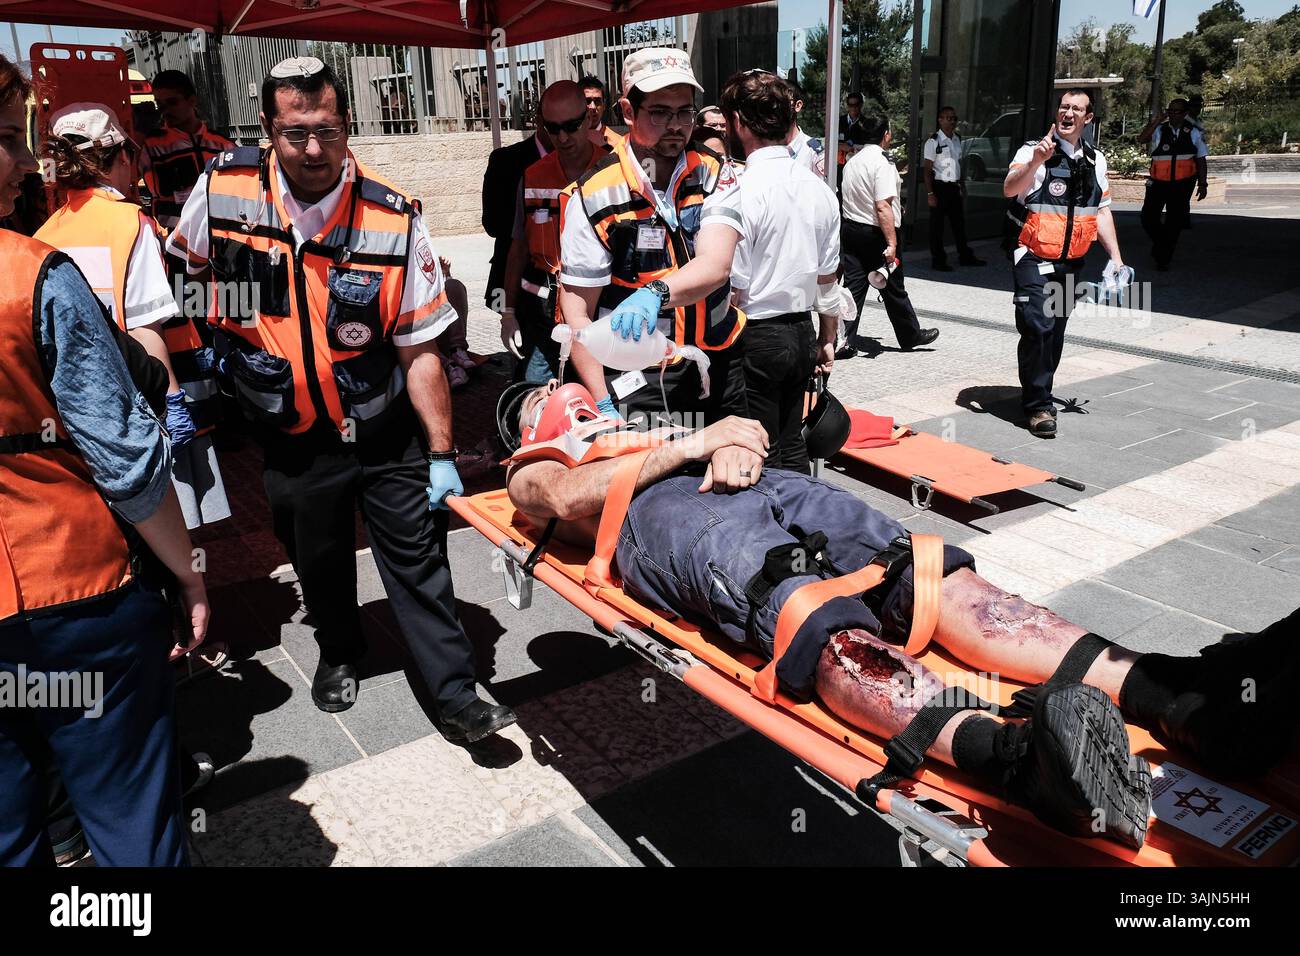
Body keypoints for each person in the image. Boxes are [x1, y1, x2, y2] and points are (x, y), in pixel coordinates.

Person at [501, 381, 1300, 847]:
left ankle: (1181, 700)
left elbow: (729, 433)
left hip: (750, 482)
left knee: (920, 571)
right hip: (669, 522)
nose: (568, 392)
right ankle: (1012, 761)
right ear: (533, 428)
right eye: (548, 396)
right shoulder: (542, 465)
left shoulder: (649, 424)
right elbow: (564, 499)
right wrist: (687, 447)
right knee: (811, 614)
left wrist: (732, 436)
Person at [165, 56, 514, 743]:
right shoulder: (225, 187)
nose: (315, 150)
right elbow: (189, 274)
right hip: (290, 433)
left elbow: (419, 351)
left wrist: (441, 451)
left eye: (328, 129)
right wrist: (213, 370)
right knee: (316, 557)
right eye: (296, 135)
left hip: (383, 429)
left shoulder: (392, 217)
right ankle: (339, 650)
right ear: (268, 129)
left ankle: (456, 694)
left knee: (418, 559)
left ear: (348, 123)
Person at [0, 52, 209, 866]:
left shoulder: (46, 237)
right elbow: (126, 458)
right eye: (4, 140)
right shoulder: (31, 274)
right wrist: (187, 571)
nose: (23, 164)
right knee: (129, 816)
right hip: (72, 593)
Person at [609, 70, 840, 473]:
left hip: (755, 335)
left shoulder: (735, 190)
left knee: (753, 448)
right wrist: (827, 338)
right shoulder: (820, 188)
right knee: (791, 440)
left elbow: (728, 281)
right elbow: (827, 278)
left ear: (737, 123)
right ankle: (807, 519)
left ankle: (773, 528)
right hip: (802, 331)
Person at [35, 102, 231, 532]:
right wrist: (174, 402)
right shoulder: (130, 222)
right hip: (148, 392)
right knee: (175, 522)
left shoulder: (44, 234)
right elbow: (147, 324)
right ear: (122, 156)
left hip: (92, 402)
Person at [558, 48, 747, 429]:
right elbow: (577, 314)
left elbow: (716, 264)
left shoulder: (714, 173)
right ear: (628, 112)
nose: (676, 125)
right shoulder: (591, 195)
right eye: (660, 112)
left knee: (733, 472)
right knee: (653, 483)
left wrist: (654, 293)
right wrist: (602, 401)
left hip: (719, 360)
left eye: (685, 112)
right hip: (637, 375)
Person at [1003, 89, 1126, 439]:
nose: (1068, 113)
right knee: (1036, 326)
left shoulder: (1096, 160)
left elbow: (1101, 211)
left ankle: (1037, 387)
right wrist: (1036, 162)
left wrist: (1116, 257)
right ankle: (1039, 405)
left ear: (1088, 119)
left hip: (1070, 262)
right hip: (1033, 255)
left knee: (1054, 331)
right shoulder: (1033, 150)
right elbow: (1010, 189)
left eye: (1077, 109)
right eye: (1064, 107)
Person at [502, 81, 610, 384]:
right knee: (537, 394)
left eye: (571, 126)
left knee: (602, 391)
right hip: (543, 313)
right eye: (553, 128)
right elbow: (518, 247)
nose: (562, 137)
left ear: (588, 118)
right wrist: (508, 313)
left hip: (600, 308)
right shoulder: (533, 176)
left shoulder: (613, 171)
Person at [839, 114, 939, 358]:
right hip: (876, 233)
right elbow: (882, 206)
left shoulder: (853, 160)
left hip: (852, 229)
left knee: (853, 286)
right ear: (886, 135)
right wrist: (892, 242)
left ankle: (843, 339)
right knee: (893, 285)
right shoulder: (882, 163)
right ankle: (910, 335)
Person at [140, 70, 235, 234]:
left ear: (192, 101)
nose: (165, 110)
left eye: (172, 102)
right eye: (159, 104)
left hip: (217, 235)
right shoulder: (150, 145)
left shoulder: (223, 144)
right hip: (172, 238)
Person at [481, 109, 553, 318]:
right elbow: (492, 223)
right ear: (539, 120)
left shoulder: (583, 160)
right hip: (516, 275)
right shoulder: (505, 160)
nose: (563, 135)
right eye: (554, 125)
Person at [1138, 98, 1208, 271]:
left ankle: (1163, 258)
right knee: (1148, 218)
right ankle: (1162, 243)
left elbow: (1201, 159)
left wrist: (1203, 183)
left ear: (1185, 114)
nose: (1173, 115)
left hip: (1182, 184)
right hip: (1158, 182)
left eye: (1177, 112)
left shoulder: (1193, 132)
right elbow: (1142, 139)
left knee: (1174, 222)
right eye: (1170, 111)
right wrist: (1157, 121)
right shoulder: (1160, 130)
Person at [923, 105, 984, 271]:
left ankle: (965, 255)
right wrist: (930, 193)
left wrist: (962, 185)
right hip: (939, 187)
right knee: (937, 226)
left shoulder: (957, 139)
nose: (951, 121)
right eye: (948, 118)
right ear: (940, 120)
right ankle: (938, 260)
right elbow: (927, 170)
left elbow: (958, 164)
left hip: (953, 186)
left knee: (959, 224)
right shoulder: (933, 141)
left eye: (954, 118)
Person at [785, 80, 824, 176]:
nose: (777, 107)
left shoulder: (813, 152)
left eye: (784, 102)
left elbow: (826, 189)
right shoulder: (767, 147)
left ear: (798, 105)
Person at [579, 74, 622, 149]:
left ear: (604, 105)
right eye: (587, 101)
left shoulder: (618, 143)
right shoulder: (567, 141)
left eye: (597, 101)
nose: (593, 107)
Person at [837, 91, 869, 173]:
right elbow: (830, 142)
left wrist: (853, 147)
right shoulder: (838, 121)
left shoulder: (866, 123)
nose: (853, 108)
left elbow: (868, 145)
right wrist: (840, 146)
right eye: (850, 105)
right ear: (847, 106)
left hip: (858, 167)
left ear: (861, 105)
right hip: (839, 166)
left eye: (856, 105)